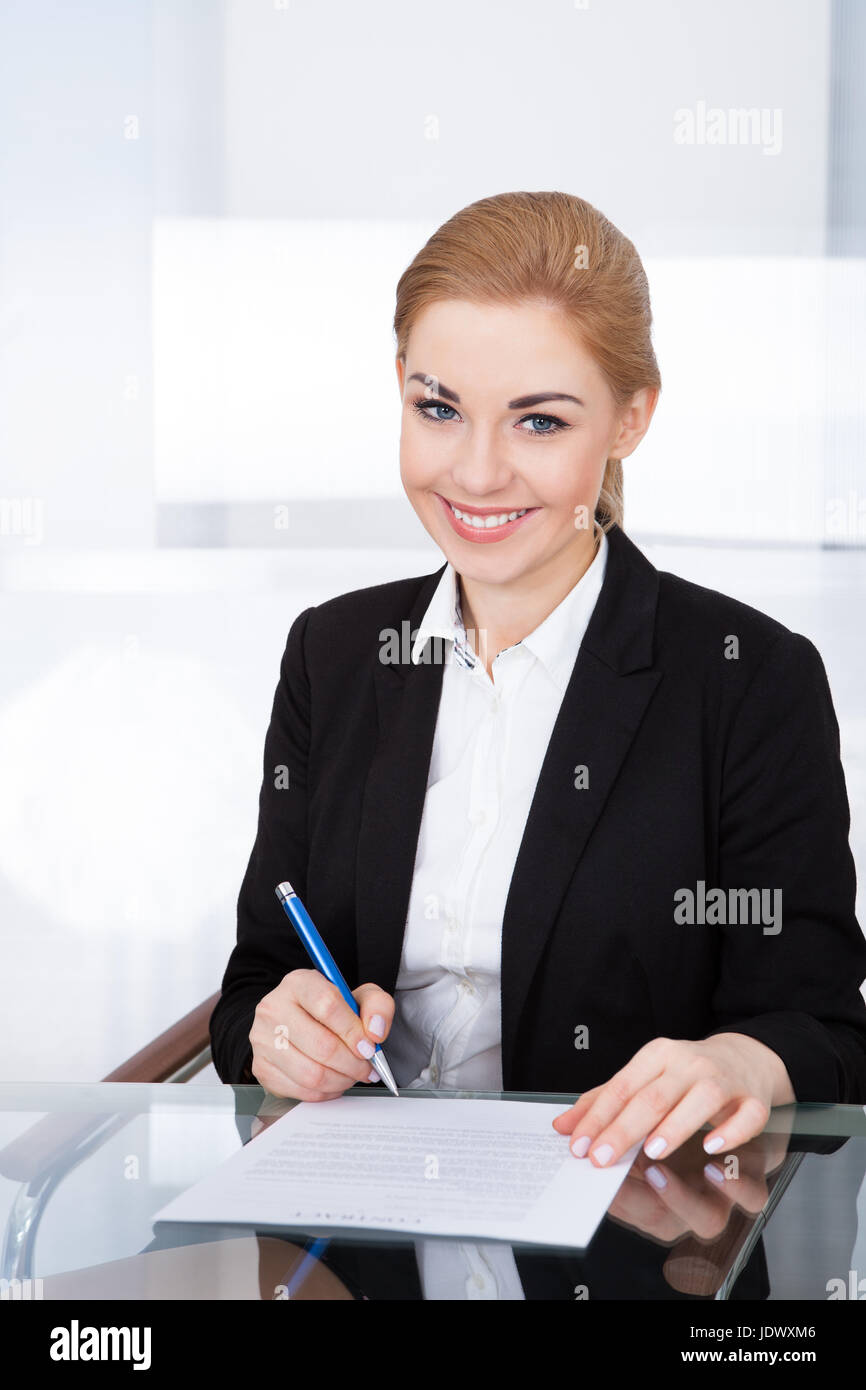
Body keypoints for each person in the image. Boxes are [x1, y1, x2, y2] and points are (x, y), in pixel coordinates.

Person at [209, 190, 866, 1297]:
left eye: (539, 420)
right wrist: (279, 1032)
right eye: (438, 408)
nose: (473, 473)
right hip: (363, 1260)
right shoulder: (332, 655)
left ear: (629, 419)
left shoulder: (746, 678)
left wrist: (734, 1060)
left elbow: (825, 1028)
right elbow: (251, 989)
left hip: (634, 1268)